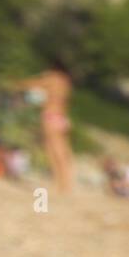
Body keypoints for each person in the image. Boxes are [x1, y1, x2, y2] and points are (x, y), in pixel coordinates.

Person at [17, 65, 75, 194]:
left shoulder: (53, 78)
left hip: (50, 117)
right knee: (62, 152)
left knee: (53, 152)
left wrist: (17, 82)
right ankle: (65, 183)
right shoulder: (66, 82)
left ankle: (62, 185)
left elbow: (33, 83)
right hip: (62, 118)